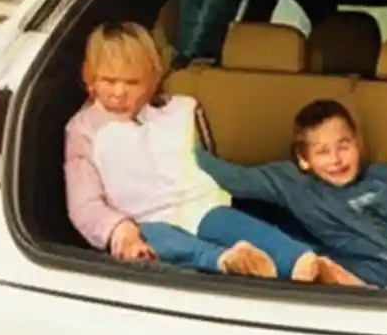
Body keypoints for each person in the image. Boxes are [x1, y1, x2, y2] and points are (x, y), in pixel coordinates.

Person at [64, 21, 358, 284]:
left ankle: (306, 262)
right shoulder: (84, 130)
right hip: (141, 222)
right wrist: (117, 230)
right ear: (89, 78)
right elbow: (84, 203)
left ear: (153, 78)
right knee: (162, 240)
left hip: (200, 206)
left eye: (131, 83)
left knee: (236, 224)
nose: (118, 92)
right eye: (108, 81)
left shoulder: (177, 113)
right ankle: (225, 261)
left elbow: (207, 168)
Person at [194, 99, 387, 288]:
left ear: (358, 143)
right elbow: (233, 177)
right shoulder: (293, 182)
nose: (336, 159)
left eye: (344, 146)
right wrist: (181, 140)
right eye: (322, 152)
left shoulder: (385, 179)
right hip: (338, 265)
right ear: (304, 160)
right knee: (218, 219)